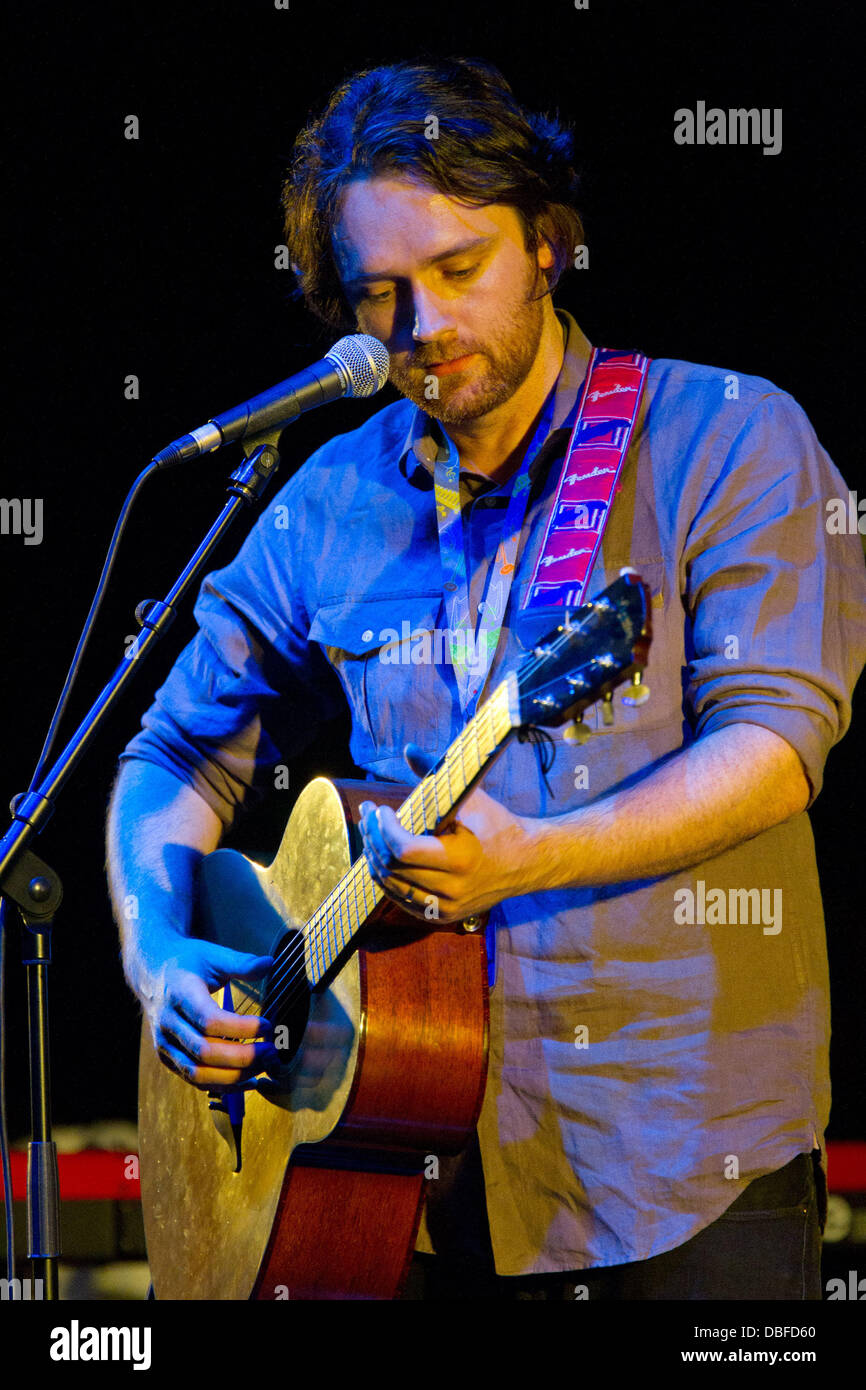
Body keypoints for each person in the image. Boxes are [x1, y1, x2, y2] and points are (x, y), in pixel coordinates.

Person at [106, 57, 866, 1300]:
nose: (424, 328)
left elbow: (777, 743)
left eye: (460, 269)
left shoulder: (724, 434)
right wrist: (160, 952)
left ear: (549, 244)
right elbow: (171, 756)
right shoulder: (328, 501)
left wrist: (537, 859)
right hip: (402, 1173)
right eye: (380, 296)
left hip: (674, 1161)